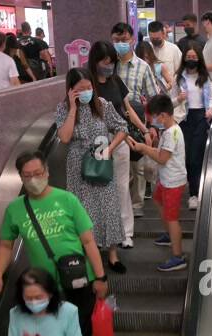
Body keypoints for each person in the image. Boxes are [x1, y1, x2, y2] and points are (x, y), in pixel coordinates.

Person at [0, 151, 109, 336]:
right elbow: (6, 245)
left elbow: (88, 241)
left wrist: (101, 277)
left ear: (47, 172)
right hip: (45, 287)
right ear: (21, 178)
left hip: (79, 279)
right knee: (53, 335)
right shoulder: (15, 209)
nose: (33, 179)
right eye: (27, 175)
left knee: (82, 334)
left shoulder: (68, 199)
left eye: (38, 173)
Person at [57, 68, 129, 274]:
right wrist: (72, 108)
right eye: (81, 89)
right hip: (77, 166)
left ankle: (113, 255)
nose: (87, 92)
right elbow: (64, 137)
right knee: (83, 210)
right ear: (71, 91)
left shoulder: (103, 105)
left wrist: (110, 148)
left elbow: (122, 127)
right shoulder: (63, 109)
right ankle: (90, 253)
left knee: (109, 205)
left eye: (89, 87)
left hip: (101, 161)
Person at [89, 41, 149, 251]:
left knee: (122, 188)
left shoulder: (116, 81)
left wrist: (144, 130)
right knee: (100, 189)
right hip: (97, 143)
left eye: (112, 62)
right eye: (105, 62)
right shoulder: (88, 84)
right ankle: (102, 233)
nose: (109, 66)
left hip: (120, 139)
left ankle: (126, 233)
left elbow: (127, 110)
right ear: (95, 61)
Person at [127, 94, 188, 273]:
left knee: (172, 218)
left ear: (163, 116)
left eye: (153, 117)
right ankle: (169, 234)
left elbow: (162, 158)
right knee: (157, 200)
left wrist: (144, 148)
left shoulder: (171, 133)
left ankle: (178, 256)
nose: (152, 121)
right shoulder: (171, 130)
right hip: (167, 180)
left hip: (173, 182)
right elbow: (163, 153)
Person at [112, 22, 160, 222]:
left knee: (139, 166)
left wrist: (153, 125)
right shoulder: (109, 65)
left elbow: (153, 97)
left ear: (132, 40)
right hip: (114, 119)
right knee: (119, 165)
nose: (120, 44)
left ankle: (137, 203)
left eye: (124, 40)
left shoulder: (142, 67)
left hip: (137, 118)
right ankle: (122, 203)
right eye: (116, 40)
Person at [175, 44, 212, 211]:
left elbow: (210, 97)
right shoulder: (179, 78)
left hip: (200, 118)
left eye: (194, 57)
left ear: (199, 59)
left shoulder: (205, 77)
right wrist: (178, 98)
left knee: (196, 157)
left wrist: (210, 109)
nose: (191, 60)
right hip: (184, 118)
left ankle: (195, 194)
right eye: (188, 57)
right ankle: (190, 191)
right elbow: (171, 102)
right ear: (184, 58)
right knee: (186, 158)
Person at [148, 21, 182, 87]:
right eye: (152, 38)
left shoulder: (173, 49)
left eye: (157, 38)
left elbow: (179, 70)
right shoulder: (147, 49)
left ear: (163, 34)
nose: (155, 40)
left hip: (170, 90)